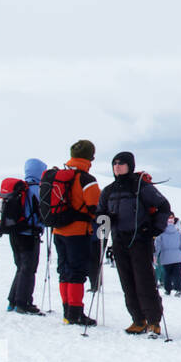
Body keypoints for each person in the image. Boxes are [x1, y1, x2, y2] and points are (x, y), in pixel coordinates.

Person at [97, 151, 171, 335]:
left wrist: (154, 229)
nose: (117, 167)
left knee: (144, 280)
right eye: (114, 164)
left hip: (140, 239)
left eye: (121, 164)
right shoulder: (108, 191)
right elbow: (99, 214)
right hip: (119, 240)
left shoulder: (140, 186)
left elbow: (163, 206)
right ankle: (138, 319)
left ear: (130, 165)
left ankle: (154, 320)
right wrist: (106, 219)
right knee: (127, 281)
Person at [50, 140, 102, 327]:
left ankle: (67, 311)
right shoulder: (86, 179)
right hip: (78, 231)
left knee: (64, 270)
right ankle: (76, 313)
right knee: (77, 272)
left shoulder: (59, 176)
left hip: (58, 229)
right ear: (91, 157)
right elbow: (94, 207)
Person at [6, 158, 48, 315]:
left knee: (20, 267)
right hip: (30, 235)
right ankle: (23, 303)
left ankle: (13, 301)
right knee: (29, 268)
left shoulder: (20, 188)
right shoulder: (38, 190)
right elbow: (42, 214)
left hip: (15, 233)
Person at [156, 216, 181, 295]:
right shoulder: (178, 233)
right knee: (177, 274)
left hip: (166, 257)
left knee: (167, 274)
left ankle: (168, 289)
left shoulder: (161, 234)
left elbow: (157, 246)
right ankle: (178, 289)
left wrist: (155, 255)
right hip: (177, 257)